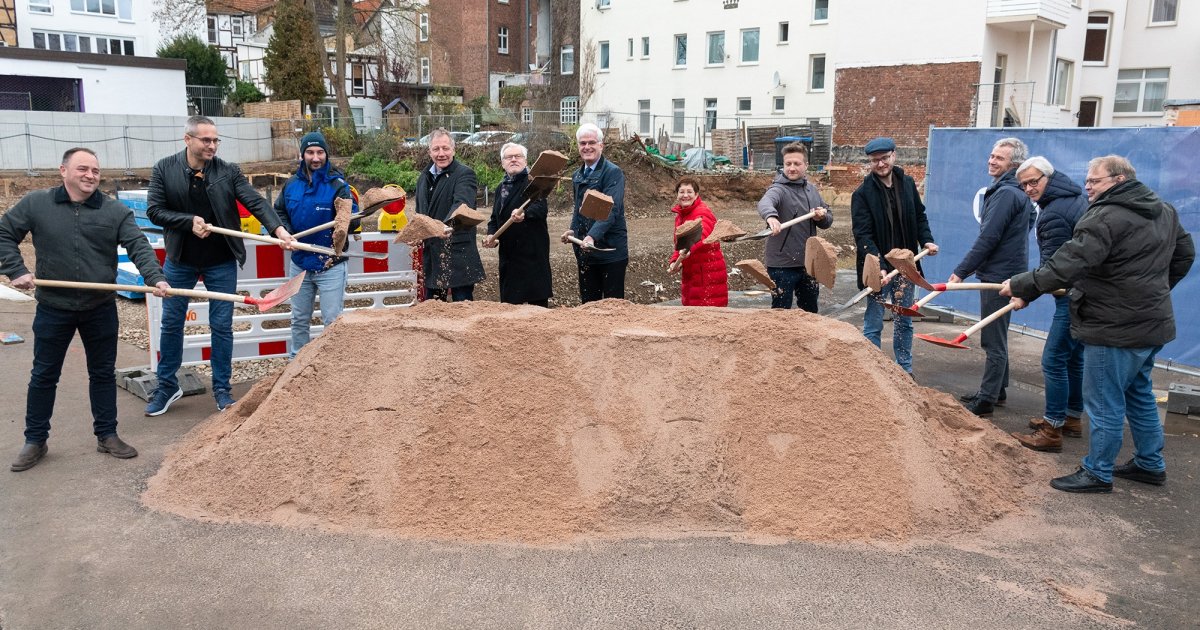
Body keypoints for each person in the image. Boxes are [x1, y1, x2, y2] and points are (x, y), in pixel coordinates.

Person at [1002, 155, 1194, 493]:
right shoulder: (1163, 210)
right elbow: (1185, 254)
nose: (1088, 186)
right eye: (1087, 180)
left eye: (1096, 180)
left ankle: (1097, 472)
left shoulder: (1105, 216)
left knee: (1104, 401)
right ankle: (1150, 464)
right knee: (1139, 394)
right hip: (1150, 322)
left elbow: (1069, 261)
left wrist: (1022, 285)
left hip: (1113, 326)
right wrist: (1153, 291)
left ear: (1119, 180)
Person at [1, 148, 171, 472]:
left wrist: (155, 278)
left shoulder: (114, 211)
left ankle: (107, 434)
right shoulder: (38, 204)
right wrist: (15, 269)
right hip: (53, 306)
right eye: (82, 169)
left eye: (95, 170)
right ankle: (35, 440)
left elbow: (138, 245)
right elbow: (4, 233)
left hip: (99, 307)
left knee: (102, 374)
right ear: (63, 170)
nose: (90, 175)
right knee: (44, 375)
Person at [145, 115, 294, 416]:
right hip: (181, 260)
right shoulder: (164, 169)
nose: (212, 145)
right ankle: (166, 386)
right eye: (206, 140)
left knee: (221, 326)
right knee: (172, 323)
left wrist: (278, 231)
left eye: (215, 140)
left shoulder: (228, 172)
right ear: (188, 140)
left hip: (220, 260)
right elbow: (154, 210)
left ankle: (223, 390)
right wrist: (188, 223)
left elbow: (255, 202)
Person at [951, 137, 1036, 416]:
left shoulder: (1006, 193)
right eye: (991, 155)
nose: (991, 161)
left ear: (1014, 164)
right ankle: (997, 390)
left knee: (992, 338)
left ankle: (987, 399)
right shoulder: (1015, 191)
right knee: (998, 332)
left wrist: (961, 271)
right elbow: (1026, 225)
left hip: (1000, 275)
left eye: (999, 158)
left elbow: (988, 237)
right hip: (1007, 270)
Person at [1008, 156, 1087, 452]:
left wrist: (1025, 293)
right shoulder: (1075, 196)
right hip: (1087, 292)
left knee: (1054, 360)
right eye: (1024, 184)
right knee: (1074, 358)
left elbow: (1054, 268)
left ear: (1048, 178)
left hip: (1072, 295)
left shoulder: (1054, 213)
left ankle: (1051, 429)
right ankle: (1071, 417)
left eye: (1033, 181)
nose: (1028, 188)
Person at [850, 137, 938, 374]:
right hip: (878, 269)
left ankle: (904, 372)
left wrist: (926, 240)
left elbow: (920, 216)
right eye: (875, 160)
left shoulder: (907, 183)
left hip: (907, 267)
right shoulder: (862, 194)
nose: (880, 164)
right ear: (870, 162)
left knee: (904, 321)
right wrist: (877, 266)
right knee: (874, 323)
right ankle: (874, 375)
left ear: (894, 156)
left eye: (884, 158)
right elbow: (863, 234)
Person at [275, 131, 359, 357]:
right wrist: (287, 233)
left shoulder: (338, 185)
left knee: (332, 321)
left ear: (326, 154)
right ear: (302, 155)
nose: (315, 157)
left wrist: (346, 222)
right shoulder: (291, 184)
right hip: (300, 262)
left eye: (320, 152)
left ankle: (329, 366)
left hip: (330, 262)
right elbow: (279, 211)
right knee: (299, 319)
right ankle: (296, 364)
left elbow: (353, 218)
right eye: (310, 152)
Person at [755, 142, 833, 312]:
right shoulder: (778, 189)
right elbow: (765, 202)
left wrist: (822, 216)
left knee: (810, 312)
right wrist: (771, 217)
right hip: (782, 265)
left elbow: (828, 220)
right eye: (787, 164)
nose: (791, 168)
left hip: (808, 264)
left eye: (796, 164)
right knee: (781, 314)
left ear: (806, 165)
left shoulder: (812, 190)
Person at [562, 123, 628, 303]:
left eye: (592, 142)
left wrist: (592, 236)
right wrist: (572, 231)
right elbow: (578, 210)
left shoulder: (613, 173)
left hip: (610, 250)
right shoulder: (577, 175)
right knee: (589, 304)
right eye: (582, 143)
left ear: (601, 145)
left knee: (612, 306)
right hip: (586, 252)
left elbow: (612, 210)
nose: (587, 147)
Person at [415, 128, 483, 301]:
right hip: (433, 257)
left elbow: (461, 205)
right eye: (436, 149)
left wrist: (445, 226)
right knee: (435, 311)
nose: (441, 153)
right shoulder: (423, 178)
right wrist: (415, 232)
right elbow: (420, 213)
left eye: (445, 148)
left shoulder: (464, 174)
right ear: (429, 151)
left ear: (453, 150)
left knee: (462, 308)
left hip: (458, 255)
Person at [482, 142, 552, 306]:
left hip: (532, 256)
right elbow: (494, 219)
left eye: (518, 156)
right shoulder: (501, 187)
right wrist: (491, 235)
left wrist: (525, 214)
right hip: (509, 257)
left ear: (526, 161)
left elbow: (541, 209)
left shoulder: (534, 182)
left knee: (537, 312)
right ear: (502, 163)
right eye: (508, 157)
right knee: (510, 311)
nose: (513, 159)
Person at [668, 177, 728, 306]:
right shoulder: (681, 215)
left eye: (689, 192)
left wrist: (689, 249)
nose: (685, 195)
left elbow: (701, 236)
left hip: (707, 273)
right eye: (681, 192)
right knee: (693, 312)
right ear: (677, 195)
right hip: (692, 272)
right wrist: (674, 261)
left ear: (696, 195)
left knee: (709, 312)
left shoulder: (702, 212)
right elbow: (680, 244)